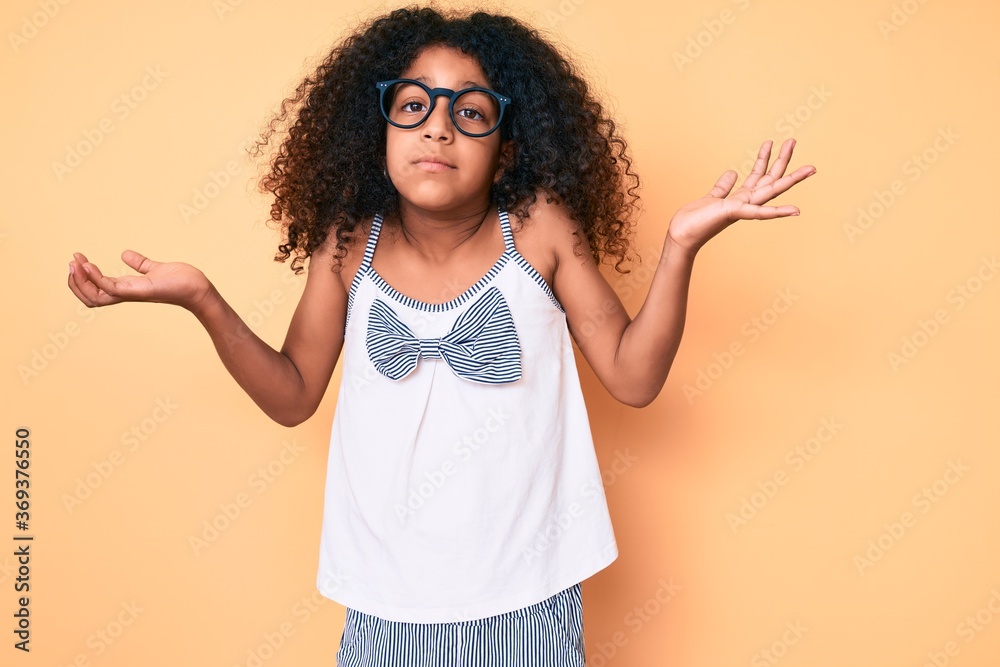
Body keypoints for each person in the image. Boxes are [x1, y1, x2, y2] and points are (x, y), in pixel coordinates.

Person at [66, 5, 815, 665]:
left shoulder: (539, 231)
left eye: (471, 112)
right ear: (378, 130)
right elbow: (293, 396)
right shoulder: (347, 243)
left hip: (529, 594)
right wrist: (201, 298)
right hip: (385, 599)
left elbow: (634, 376)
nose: (438, 126)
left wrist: (680, 247)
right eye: (414, 105)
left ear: (507, 145)